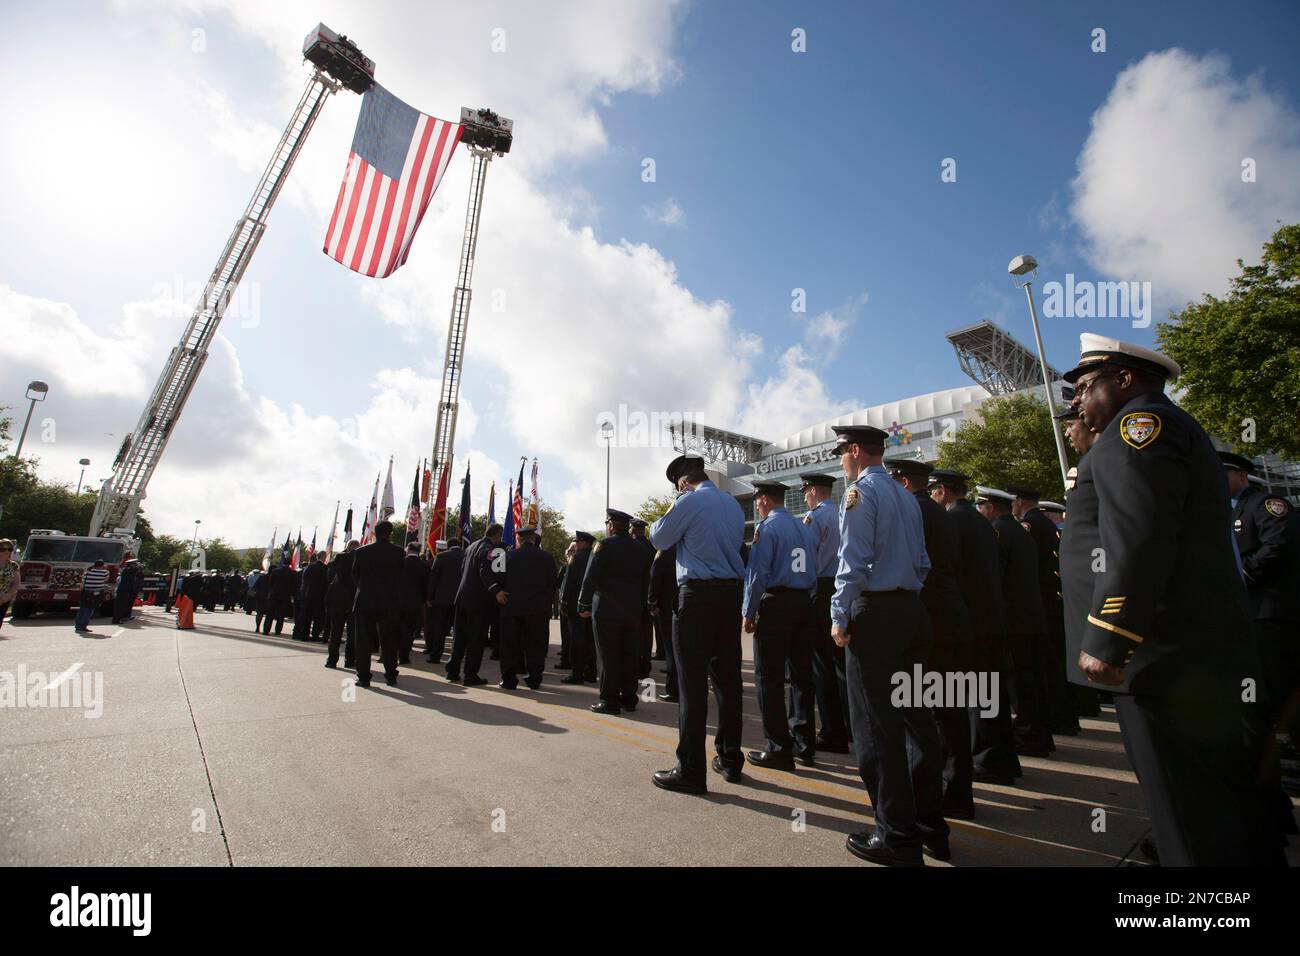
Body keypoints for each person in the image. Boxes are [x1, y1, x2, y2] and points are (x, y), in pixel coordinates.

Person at [1059, 332, 1281, 865]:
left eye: (1086, 387)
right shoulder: (1152, 430)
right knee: (1223, 812)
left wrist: (1110, 636)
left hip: (1158, 659)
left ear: (1124, 379)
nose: (1077, 403)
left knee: (1189, 824)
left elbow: (1140, 537)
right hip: (1183, 654)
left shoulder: (1138, 431)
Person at [830, 426, 945, 866]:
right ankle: (929, 825)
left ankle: (896, 835)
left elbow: (853, 559)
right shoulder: (904, 495)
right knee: (917, 719)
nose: (841, 458)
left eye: (842, 451)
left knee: (878, 729)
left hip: (875, 614)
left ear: (856, 451)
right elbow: (922, 561)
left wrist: (839, 614)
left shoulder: (860, 493)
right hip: (911, 613)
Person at [648, 454, 746, 795]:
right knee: (728, 681)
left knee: (691, 684)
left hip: (698, 597)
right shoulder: (732, 504)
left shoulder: (689, 500)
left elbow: (659, 538)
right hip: (730, 596)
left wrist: (677, 503)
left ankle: (691, 769)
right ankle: (730, 757)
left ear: (683, 482)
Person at [886, 457, 977, 820]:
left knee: (923, 713)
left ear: (904, 482)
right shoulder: (943, 513)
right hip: (953, 619)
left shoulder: (914, 512)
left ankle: (933, 798)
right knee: (952, 710)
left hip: (929, 621)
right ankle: (959, 793)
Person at [1220, 450, 1300, 839]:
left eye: (1222, 475)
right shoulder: (1221, 511)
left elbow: (1278, 546)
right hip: (1241, 617)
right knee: (1257, 700)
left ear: (1240, 475)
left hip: (1269, 613)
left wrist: (1241, 576)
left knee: (1275, 691)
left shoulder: (1267, 504)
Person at [929, 469, 1020, 784]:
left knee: (975, 695)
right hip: (992, 617)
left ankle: (986, 759)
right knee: (991, 692)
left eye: (932, 491)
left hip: (970, 619)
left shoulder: (952, 520)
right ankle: (1004, 759)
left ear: (942, 490)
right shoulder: (981, 520)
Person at [743, 480, 817, 770]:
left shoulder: (767, 529)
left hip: (777, 605)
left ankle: (778, 748)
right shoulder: (803, 527)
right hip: (803, 602)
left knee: (769, 678)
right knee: (801, 676)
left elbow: (757, 574)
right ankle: (804, 744)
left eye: (757, 501)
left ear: (763, 500)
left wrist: (748, 612)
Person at [976, 487, 1053, 758]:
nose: (979, 511)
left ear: (991, 508)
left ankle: (1028, 735)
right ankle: (1039, 734)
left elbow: (996, 577)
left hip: (1013, 619)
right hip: (1031, 616)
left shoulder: (998, 532)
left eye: (981, 506)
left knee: (1019, 682)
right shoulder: (1021, 531)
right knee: (1032, 680)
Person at [1008, 484, 1078, 738]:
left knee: (1043, 667)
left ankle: (1057, 718)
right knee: (1053, 665)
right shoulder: (1046, 524)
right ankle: (1063, 717)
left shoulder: (1030, 525)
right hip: (1050, 600)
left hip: (1039, 600)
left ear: (1019, 501)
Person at [578, 510, 651, 713]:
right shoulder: (641, 549)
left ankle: (609, 701)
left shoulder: (604, 545)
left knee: (608, 655)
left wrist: (583, 604)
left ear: (611, 524)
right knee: (629, 654)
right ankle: (629, 698)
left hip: (606, 610)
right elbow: (646, 582)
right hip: (632, 610)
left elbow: (590, 577)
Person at [798, 472, 850, 754]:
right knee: (843, 663)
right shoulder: (844, 512)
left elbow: (806, 558)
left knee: (822, 665)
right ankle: (851, 726)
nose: (805, 497)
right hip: (842, 587)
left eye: (806, 492)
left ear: (815, 491)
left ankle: (832, 731)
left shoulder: (814, 518)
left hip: (819, 589)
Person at [484, 527, 556, 691]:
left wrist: (497, 592)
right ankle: (534, 678)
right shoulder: (547, 557)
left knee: (509, 645)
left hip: (511, 607)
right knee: (535, 645)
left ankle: (509, 679)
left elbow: (493, 576)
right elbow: (553, 584)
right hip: (538, 609)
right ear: (532, 539)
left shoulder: (506, 555)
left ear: (519, 539)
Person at [351, 521, 405, 688]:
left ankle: (364, 677)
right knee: (389, 641)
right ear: (390, 533)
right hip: (389, 602)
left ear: (374, 532)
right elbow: (401, 577)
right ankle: (390, 675)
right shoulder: (398, 552)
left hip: (366, 600)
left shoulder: (361, 552)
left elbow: (355, 576)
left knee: (363, 641)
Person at [448, 524, 503, 685]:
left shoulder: (471, 546)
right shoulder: (489, 549)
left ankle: (452, 671)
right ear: (497, 535)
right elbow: (485, 571)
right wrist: (496, 591)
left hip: (462, 597)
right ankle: (470, 675)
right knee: (476, 639)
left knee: (459, 637)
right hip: (478, 601)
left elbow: (463, 568)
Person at [560, 532, 597, 685]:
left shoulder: (576, 558)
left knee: (576, 640)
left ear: (582, 543)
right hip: (592, 605)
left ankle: (577, 673)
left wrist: (564, 604)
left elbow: (568, 584)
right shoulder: (596, 557)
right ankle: (590, 672)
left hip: (576, 606)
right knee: (590, 640)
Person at [648, 542, 680, 702]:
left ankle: (673, 690)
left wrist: (652, 601)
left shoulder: (665, 550)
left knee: (671, 649)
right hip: (687, 602)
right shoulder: (689, 546)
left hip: (667, 606)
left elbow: (655, 576)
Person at [425, 538, 464, 664]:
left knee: (439, 629)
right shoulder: (466, 555)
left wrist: (430, 597)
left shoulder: (442, 556)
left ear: (448, 546)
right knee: (459, 630)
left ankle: (435, 656)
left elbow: (433, 578)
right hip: (460, 599)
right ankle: (457, 658)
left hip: (441, 599)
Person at [324, 541, 360, 669]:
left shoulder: (340, 557)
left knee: (335, 631)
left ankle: (332, 660)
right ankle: (349, 660)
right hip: (353, 599)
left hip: (338, 599)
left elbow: (330, 575)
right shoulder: (361, 558)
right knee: (352, 633)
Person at [630, 518, 658, 673]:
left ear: (633, 529)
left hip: (635, 596)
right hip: (649, 595)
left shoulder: (633, 547)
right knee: (647, 633)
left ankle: (637, 666)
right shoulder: (652, 547)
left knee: (634, 634)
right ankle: (645, 665)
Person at [398, 542, 427, 664]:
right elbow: (426, 585)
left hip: (397, 600)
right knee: (409, 629)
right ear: (419, 551)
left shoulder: (400, 562)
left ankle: (387, 655)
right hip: (415, 601)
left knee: (394, 628)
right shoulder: (423, 565)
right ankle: (404, 656)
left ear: (408, 549)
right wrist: (424, 600)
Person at [296, 553, 328, 643]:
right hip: (320, 595)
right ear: (324, 557)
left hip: (308, 594)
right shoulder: (325, 568)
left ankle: (304, 635)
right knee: (318, 617)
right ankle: (315, 635)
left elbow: (304, 580)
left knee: (307, 616)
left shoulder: (308, 567)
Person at [261, 562, 294, 636]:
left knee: (270, 614)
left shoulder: (275, 571)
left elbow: (270, 583)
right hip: (285, 596)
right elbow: (292, 586)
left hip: (274, 595)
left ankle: (266, 630)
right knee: (281, 615)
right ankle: (278, 630)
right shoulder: (292, 573)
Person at [112, 555, 142, 625]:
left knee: (123, 605)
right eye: (134, 563)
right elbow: (135, 570)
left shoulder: (129, 570)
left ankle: (121, 618)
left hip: (126, 590)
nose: (135, 565)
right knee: (120, 606)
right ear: (130, 564)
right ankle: (116, 619)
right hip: (123, 590)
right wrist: (138, 566)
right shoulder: (127, 570)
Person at [0, 538, 20, 630]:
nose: (6, 551)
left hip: (5, 599)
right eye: (3, 549)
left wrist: (8, 596)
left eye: (9, 549)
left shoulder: (13, 565)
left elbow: (16, 583)